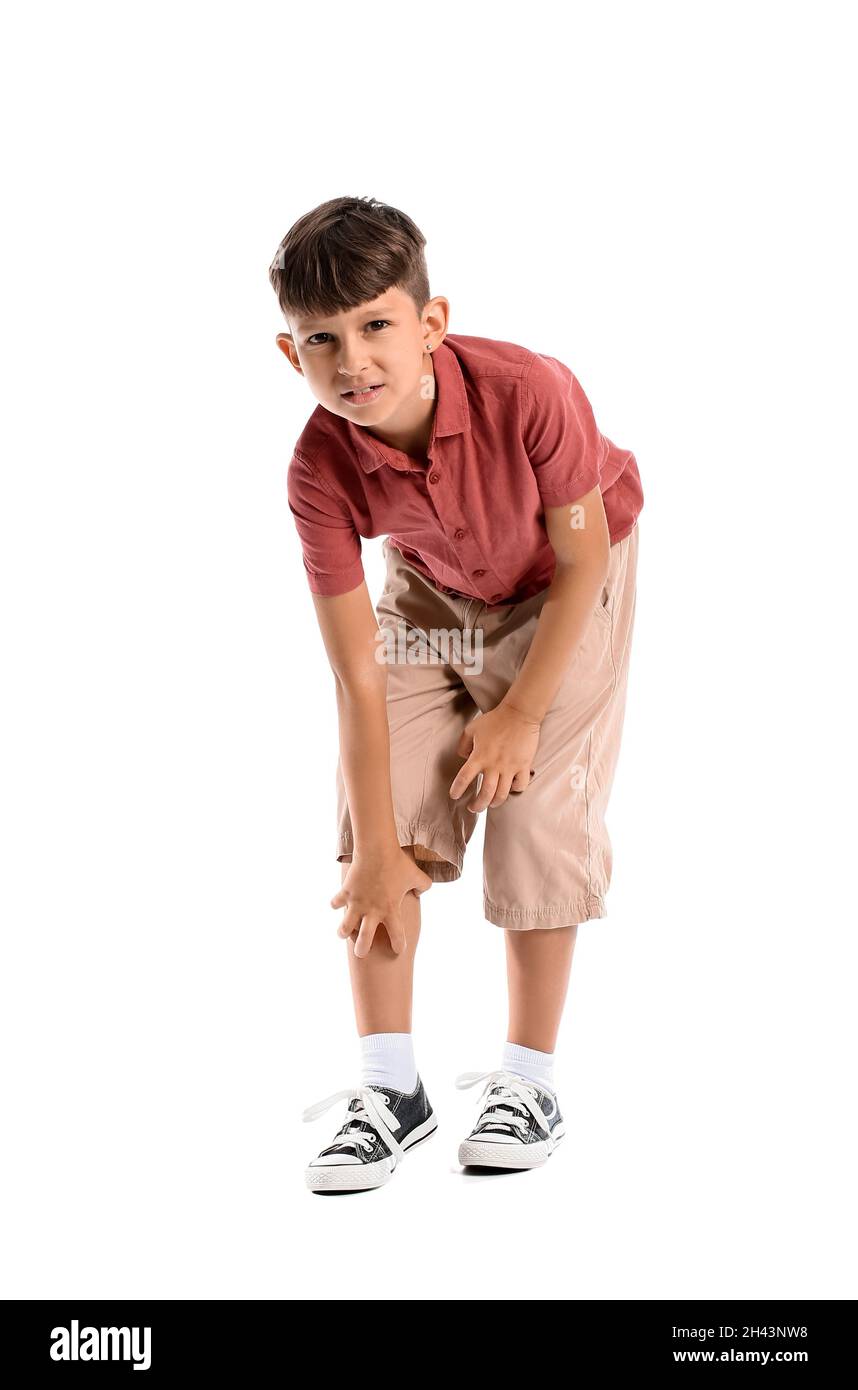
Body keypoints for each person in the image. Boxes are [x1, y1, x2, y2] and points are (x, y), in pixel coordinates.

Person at [269, 195, 643, 1193]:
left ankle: (531, 1083)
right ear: (288, 352)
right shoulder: (317, 469)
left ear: (430, 324)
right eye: (323, 339)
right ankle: (392, 1091)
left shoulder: (531, 390)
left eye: (377, 325)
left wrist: (519, 710)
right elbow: (357, 674)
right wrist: (382, 845)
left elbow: (580, 557)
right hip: (433, 591)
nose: (353, 360)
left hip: (564, 584)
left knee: (526, 813)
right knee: (377, 832)